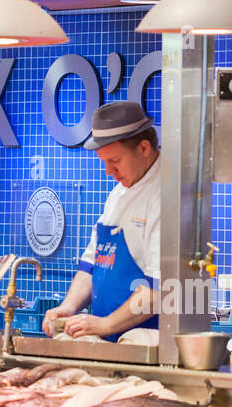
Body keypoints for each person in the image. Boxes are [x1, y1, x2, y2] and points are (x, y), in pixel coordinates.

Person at [42, 102, 161, 343]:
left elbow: (159, 290)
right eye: (104, 162)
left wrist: (106, 324)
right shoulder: (118, 193)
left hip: (145, 342)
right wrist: (69, 307)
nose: (109, 171)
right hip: (107, 339)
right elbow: (91, 263)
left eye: (114, 161)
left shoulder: (167, 195)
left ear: (144, 148)